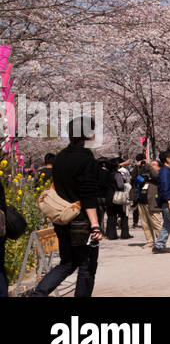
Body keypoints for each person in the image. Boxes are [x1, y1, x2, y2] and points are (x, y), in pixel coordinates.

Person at [29, 118, 102, 297]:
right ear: (86, 134)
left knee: (67, 262)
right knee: (87, 266)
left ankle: (38, 294)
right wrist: (95, 224)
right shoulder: (86, 158)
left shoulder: (60, 157)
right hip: (82, 222)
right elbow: (88, 194)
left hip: (62, 220)